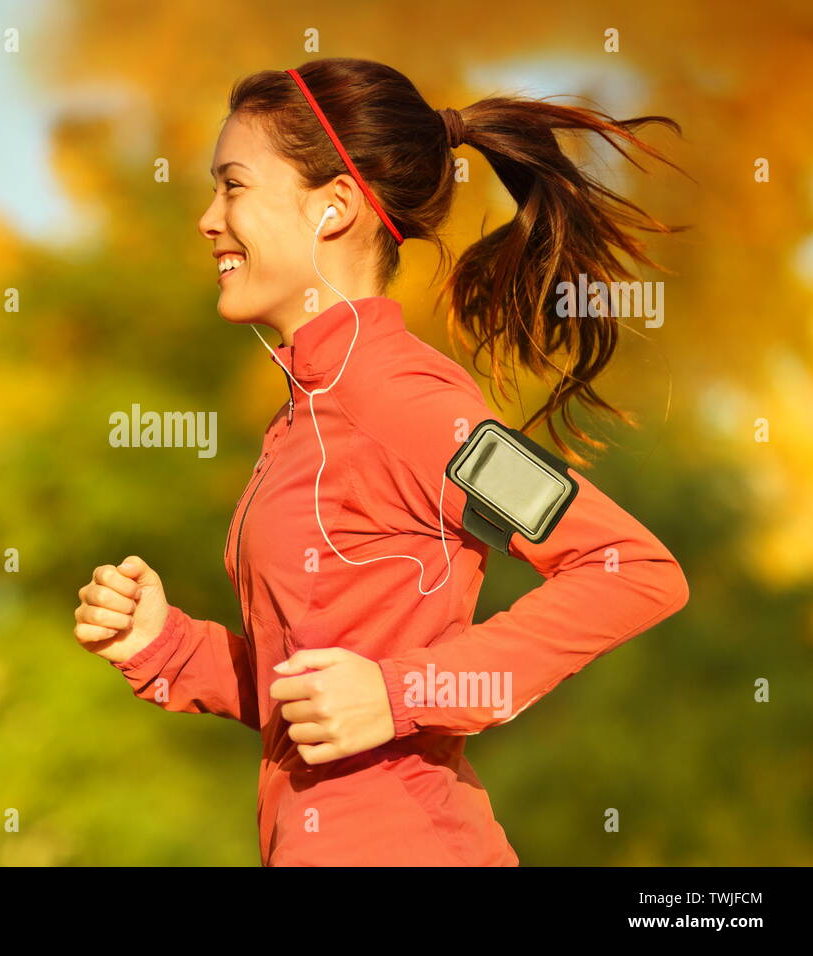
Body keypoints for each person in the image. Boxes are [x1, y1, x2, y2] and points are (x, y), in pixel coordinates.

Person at [72, 57, 690, 866]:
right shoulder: (306, 413)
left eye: (233, 186)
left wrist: (405, 694)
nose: (207, 219)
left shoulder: (403, 401)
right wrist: (169, 647)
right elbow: (311, 691)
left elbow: (632, 570)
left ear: (334, 208)